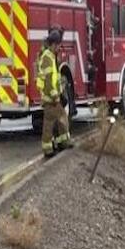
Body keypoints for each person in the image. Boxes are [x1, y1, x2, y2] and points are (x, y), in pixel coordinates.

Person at [36, 27, 71, 158]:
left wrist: (59, 92)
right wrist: (55, 96)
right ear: (53, 44)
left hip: (52, 96)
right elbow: (49, 80)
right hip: (50, 97)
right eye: (58, 45)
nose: (59, 48)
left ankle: (61, 143)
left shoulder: (50, 56)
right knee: (51, 122)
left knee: (58, 119)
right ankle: (49, 148)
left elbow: (54, 78)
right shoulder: (47, 57)